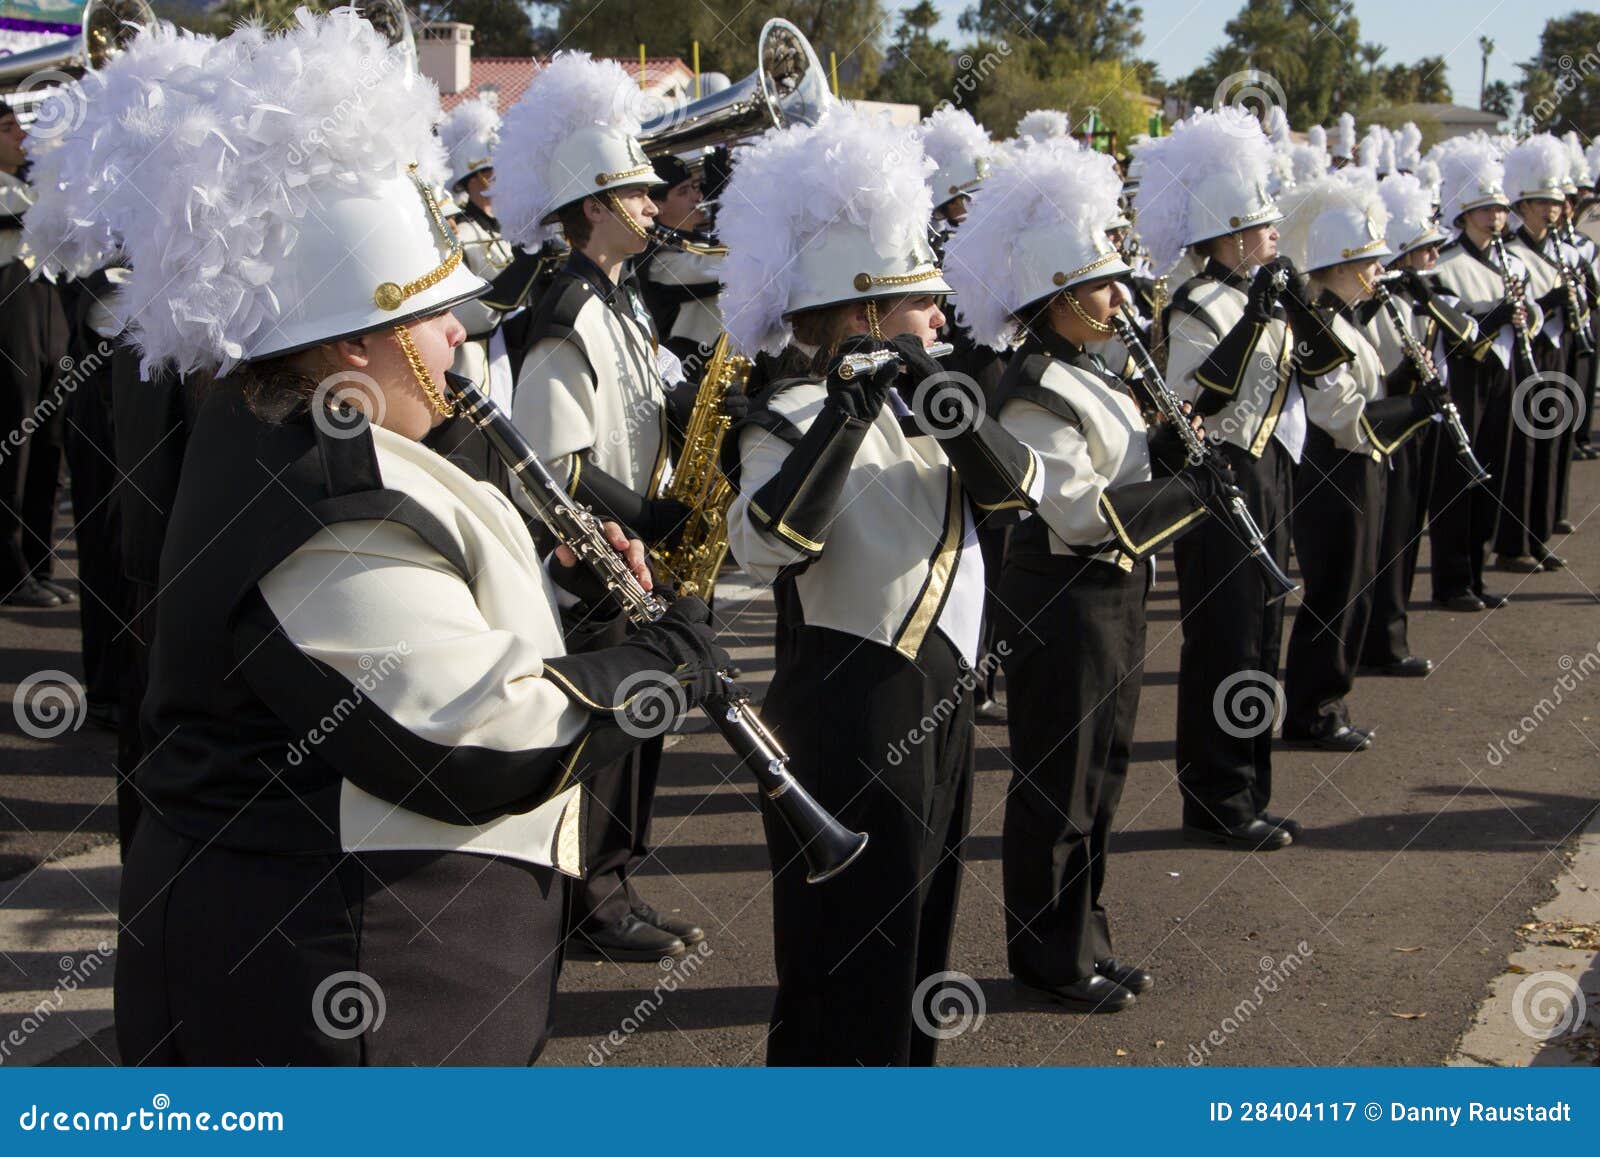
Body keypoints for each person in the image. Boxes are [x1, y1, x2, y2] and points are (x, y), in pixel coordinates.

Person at [28, 13, 726, 1066]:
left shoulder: (324, 434)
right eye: (436, 311)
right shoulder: (318, 501)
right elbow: (468, 743)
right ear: (357, 336)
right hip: (350, 988)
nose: (460, 333)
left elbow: (448, 617)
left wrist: (569, 600)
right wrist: (650, 668)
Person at [722, 106, 1041, 1065]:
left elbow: (1019, 489)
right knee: (845, 967)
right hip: (850, 712)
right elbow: (764, 543)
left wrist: (923, 392)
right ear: (862, 310)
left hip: (939, 707)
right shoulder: (785, 411)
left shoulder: (931, 397)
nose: (941, 318)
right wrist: (846, 414)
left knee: (918, 947)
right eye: (919, 302)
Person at [945, 139, 1211, 1013]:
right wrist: (1185, 488)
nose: (1120, 299)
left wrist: (1171, 447)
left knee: (1104, 772)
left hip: (1116, 590)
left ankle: (1086, 934)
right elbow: (1082, 513)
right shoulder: (1031, 387)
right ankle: (1047, 954)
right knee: (1058, 777)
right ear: (1060, 298)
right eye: (1103, 287)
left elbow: (1124, 477)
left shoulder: (1101, 371)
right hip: (1065, 592)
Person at [493, 52, 704, 963]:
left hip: (634, 549)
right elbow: (558, 466)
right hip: (596, 559)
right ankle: (590, 902)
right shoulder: (566, 310)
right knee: (606, 735)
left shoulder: (623, 305)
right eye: (638, 194)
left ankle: (616, 882)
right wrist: (656, 522)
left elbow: (643, 405)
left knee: (641, 723)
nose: (655, 206)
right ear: (591, 207)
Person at [1133, 108, 1342, 844]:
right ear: (1226, 231)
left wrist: (1293, 305)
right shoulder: (1197, 302)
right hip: (1219, 475)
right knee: (1223, 638)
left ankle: (1250, 784)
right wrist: (1255, 316)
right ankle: (1216, 795)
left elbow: (1325, 367)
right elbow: (1194, 397)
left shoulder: (1264, 290)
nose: (1273, 233)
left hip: (1272, 470)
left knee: (1262, 634)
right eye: (1260, 224)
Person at [1275, 171, 1438, 751]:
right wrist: (1414, 406)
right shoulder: (1318, 321)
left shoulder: (1344, 318)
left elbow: (1364, 398)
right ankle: (1313, 711)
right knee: (1335, 586)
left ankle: (1330, 701)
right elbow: (1342, 413)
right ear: (1337, 266)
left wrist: (1405, 385)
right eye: (1367, 261)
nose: (1377, 271)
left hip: (1358, 462)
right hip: (1332, 467)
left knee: (1357, 582)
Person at [1359, 173, 1484, 677]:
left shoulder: (1426, 296)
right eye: (1426, 251)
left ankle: (1393, 631)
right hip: (1387, 431)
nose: (1435, 258)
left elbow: (1471, 338)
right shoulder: (1374, 310)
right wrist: (1407, 375)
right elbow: (1373, 379)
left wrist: (1427, 298)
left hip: (1423, 427)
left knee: (1409, 535)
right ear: (1404, 255)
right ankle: (1380, 641)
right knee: (1389, 538)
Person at [920, 104, 1008, 724]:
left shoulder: (988, 251)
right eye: (965, 201)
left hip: (993, 400)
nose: (975, 211)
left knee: (995, 547)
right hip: (954, 402)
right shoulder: (937, 257)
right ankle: (966, 671)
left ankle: (986, 669)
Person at [1430, 137, 1537, 612]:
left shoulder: (1508, 259)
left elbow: (1530, 311)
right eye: (1485, 210)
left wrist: (1526, 316)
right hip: (1465, 378)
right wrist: (1498, 314)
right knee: (1459, 478)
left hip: (1503, 372)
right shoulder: (1447, 264)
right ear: (1464, 214)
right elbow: (1456, 328)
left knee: (1492, 471)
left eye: (1499, 209)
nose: (1496, 218)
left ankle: (1476, 573)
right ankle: (1451, 582)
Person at [0, 96, 71, 608]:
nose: (20, 138)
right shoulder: (13, 194)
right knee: (15, 440)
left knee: (48, 441)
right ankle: (8, 569)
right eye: (7, 128)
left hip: (45, 307)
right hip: (11, 311)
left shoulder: (26, 185)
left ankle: (36, 561)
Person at [1499, 135, 1580, 573]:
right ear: (1522, 206)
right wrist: (1550, 301)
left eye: (1555, 201)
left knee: (1552, 442)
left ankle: (1540, 532)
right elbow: (1520, 306)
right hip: (1527, 354)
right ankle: (1514, 542)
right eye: (1541, 202)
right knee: (1525, 447)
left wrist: (1575, 302)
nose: (1552, 208)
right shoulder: (1510, 253)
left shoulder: (1561, 250)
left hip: (1559, 348)